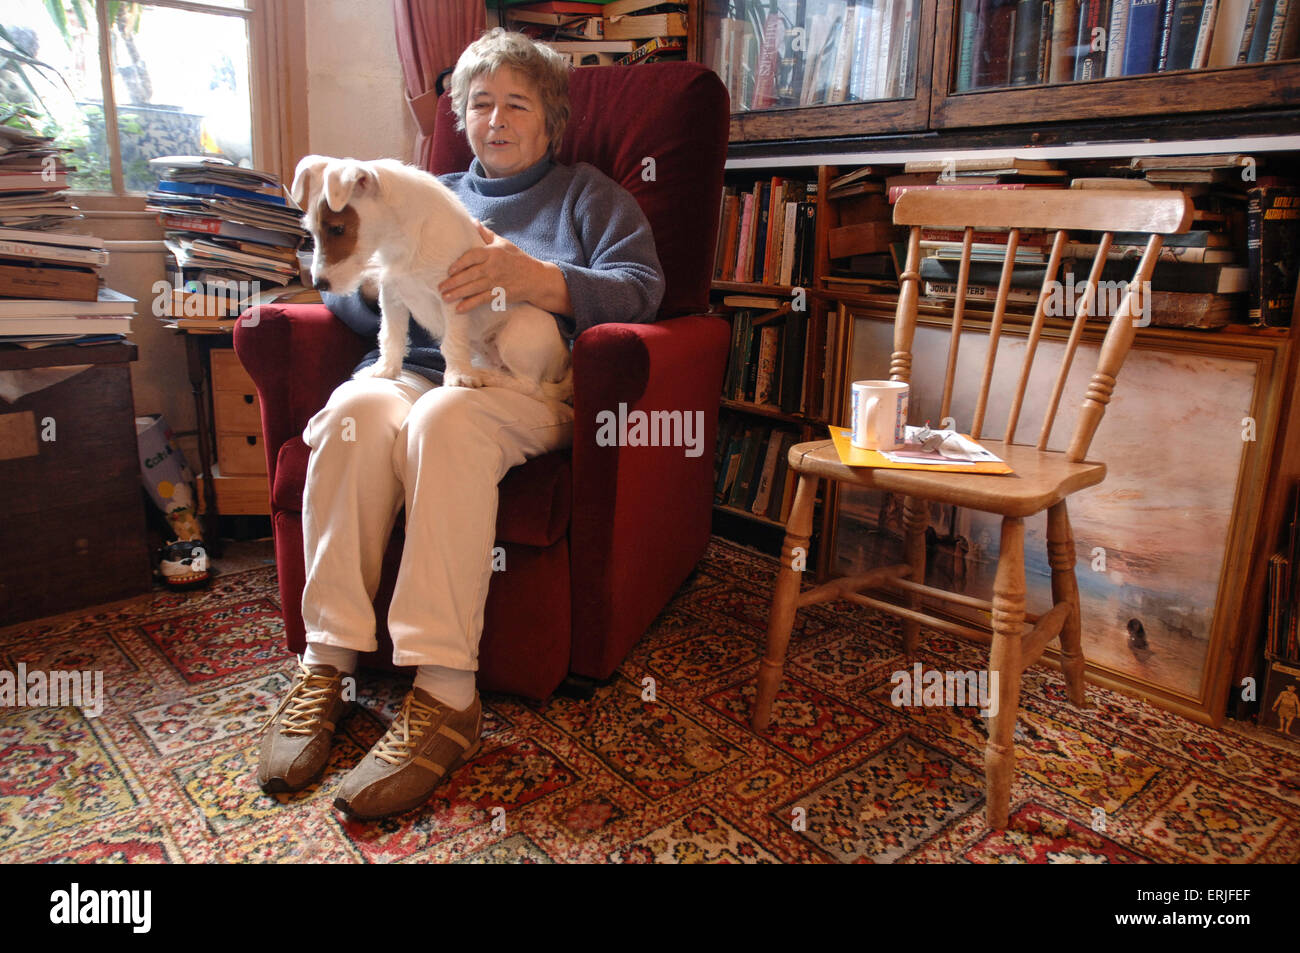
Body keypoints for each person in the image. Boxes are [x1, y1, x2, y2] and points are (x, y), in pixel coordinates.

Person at [257, 27, 665, 820]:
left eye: (518, 104)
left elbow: (642, 288)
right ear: (461, 118)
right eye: (480, 104)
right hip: (417, 366)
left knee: (445, 420)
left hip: (518, 381)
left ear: (551, 119)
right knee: (355, 412)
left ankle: (446, 691)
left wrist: (537, 278)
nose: (496, 119)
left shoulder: (588, 196)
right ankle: (327, 662)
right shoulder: (418, 189)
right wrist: (375, 281)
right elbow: (349, 294)